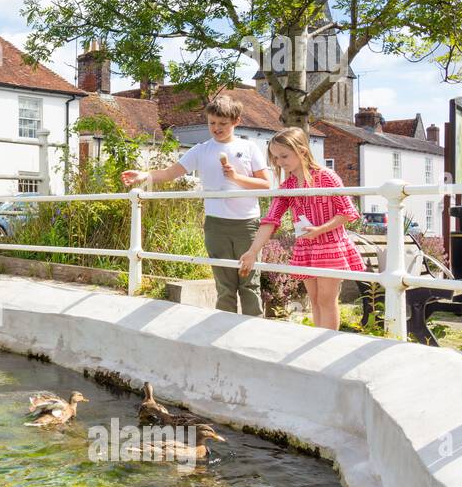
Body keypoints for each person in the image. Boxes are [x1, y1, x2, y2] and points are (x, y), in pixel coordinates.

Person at [122, 95, 272, 315]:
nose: (217, 128)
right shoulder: (201, 150)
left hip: (247, 224)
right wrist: (144, 175)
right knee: (224, 286)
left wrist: (237, 177)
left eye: (222, 124)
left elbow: (266, 185)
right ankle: (223, 329)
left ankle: (253, 329)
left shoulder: (249, 148)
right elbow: (169, 173)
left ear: (236, 122)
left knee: (249, 284)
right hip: (216, 225)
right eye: (212, 123)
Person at [240, 127, 364, 331]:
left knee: (326, 299)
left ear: (302, 151)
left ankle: (329, 345)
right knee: (314, 299)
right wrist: (253, 251)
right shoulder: (288, 186)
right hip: (306, 247)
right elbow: (270, 219)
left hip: (330, 245)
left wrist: (320, 229)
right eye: (275, 158)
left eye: (284, 156)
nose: (280, 162)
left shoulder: (326, 177)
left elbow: (347, 211)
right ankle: (317, 342)